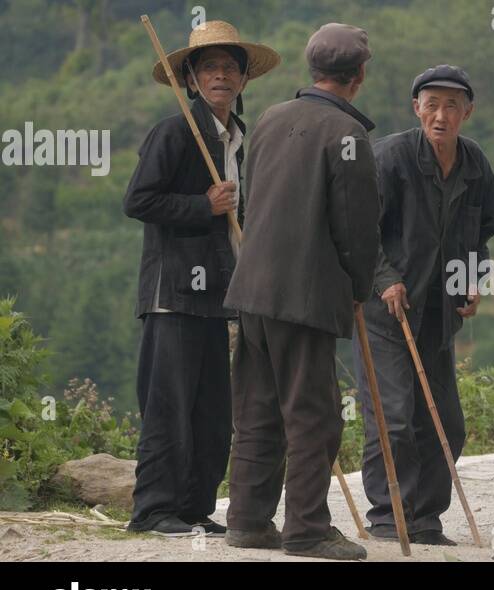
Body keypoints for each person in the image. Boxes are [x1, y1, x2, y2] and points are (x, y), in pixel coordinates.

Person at [222, 23, 380, 560]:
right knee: (313, 415)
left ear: (313, 69)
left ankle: (246, 521)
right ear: (358, 75)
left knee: (258, 409)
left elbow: (249, 204)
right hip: (306, 295)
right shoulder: (348, 136)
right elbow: (357, 229)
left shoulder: (268, 118)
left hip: (252, 288)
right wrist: (359, 287)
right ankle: (307, 531)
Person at [122, 21, 279, 536]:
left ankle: (192, 507)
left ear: (243, 81)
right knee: (168, 405)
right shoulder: (175, 132)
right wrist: (202, 205)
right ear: (190, 79)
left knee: (212, 408)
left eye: (230, 68)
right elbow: (139, 201)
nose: (221, 76)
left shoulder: (236, 136)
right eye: (209, 67)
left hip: (219, 292)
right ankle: (152, 510)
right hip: (174, 294)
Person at [354, 65, 494, 546]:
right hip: (385, 313)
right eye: (431, 104)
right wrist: (385, 279)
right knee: (393, 419)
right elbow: (360, 229)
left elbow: (481, 236)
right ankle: (387, 516)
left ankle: (425, 520)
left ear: (467, 112)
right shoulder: (391, 158)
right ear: (416, 108)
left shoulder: (475, 165)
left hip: (439, 317)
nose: (441, 115)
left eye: (452, 105)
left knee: (447, 427)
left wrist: (474, 281)